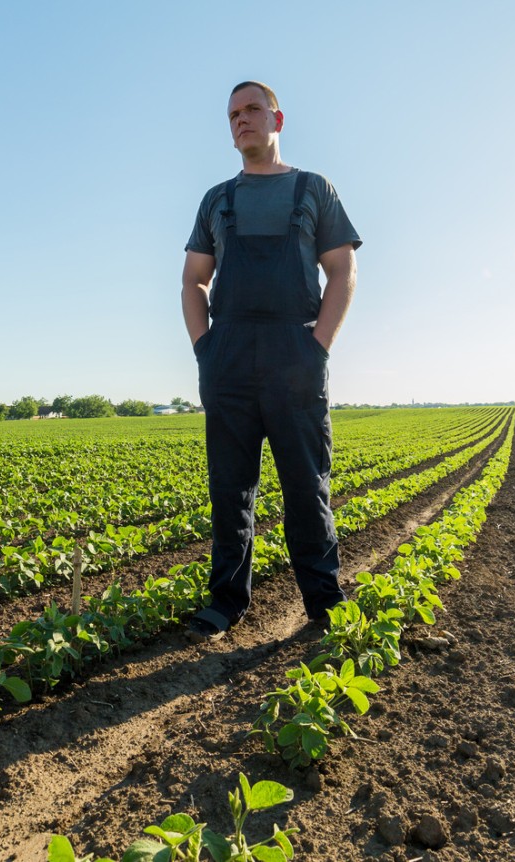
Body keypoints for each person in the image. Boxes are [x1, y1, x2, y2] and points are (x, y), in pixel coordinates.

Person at [181, 81, 361, 642]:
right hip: (229, 354)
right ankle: (226, 602)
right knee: (229, 488)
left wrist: (319, 344)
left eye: (252, 109)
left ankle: (323, 599)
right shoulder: (217, 199)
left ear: (277, 119)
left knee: (307, 485)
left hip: (294, 352)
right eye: (233, 113)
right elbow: (192, 280)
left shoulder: (314, 190)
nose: (242, 120)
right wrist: (204, 348)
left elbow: (342, 272)